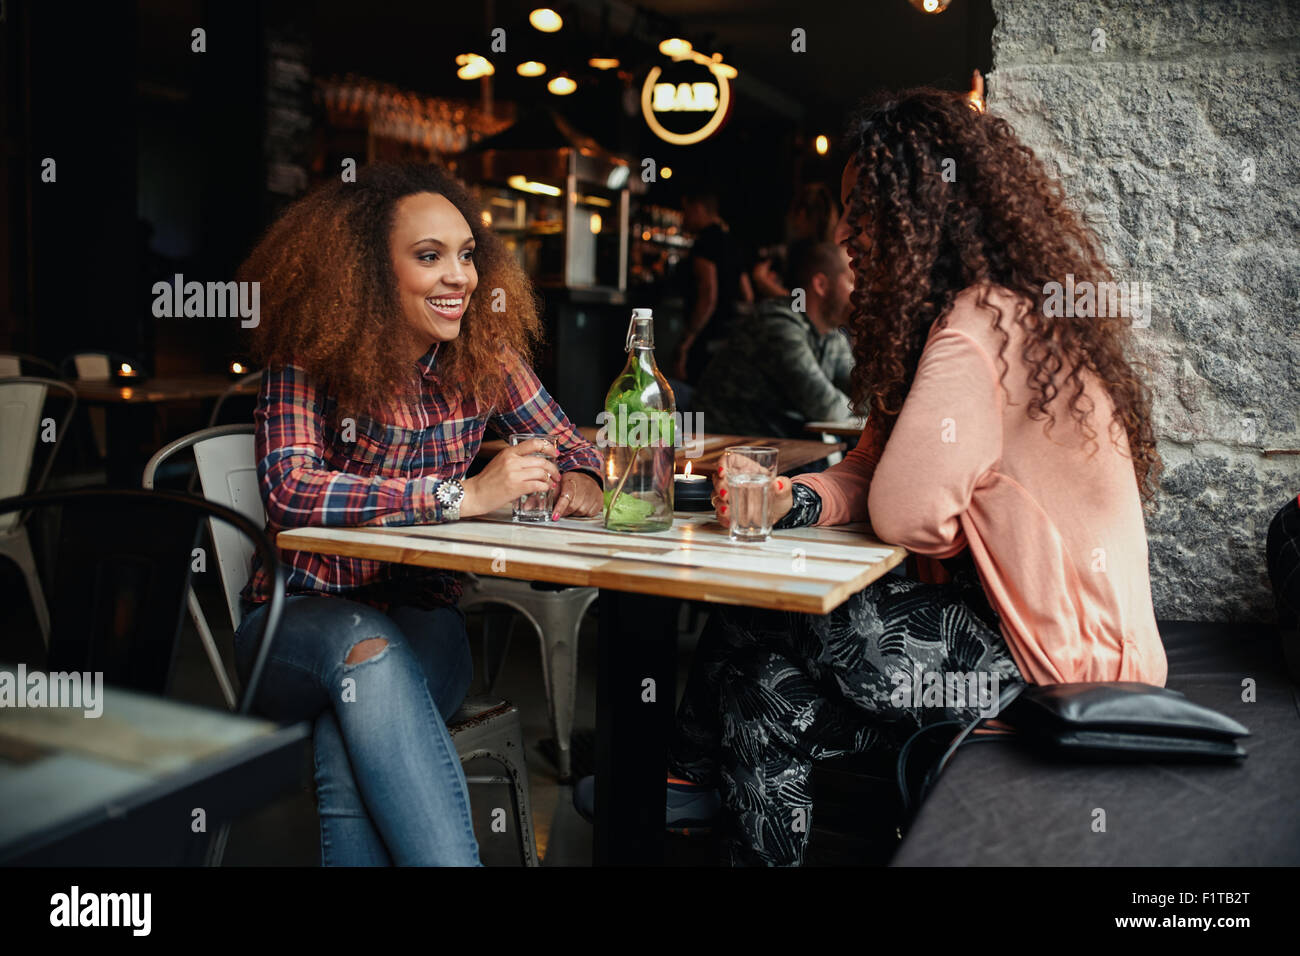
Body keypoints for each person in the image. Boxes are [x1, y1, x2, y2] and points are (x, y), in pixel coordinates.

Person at [669, 88, 1169, 865]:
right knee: (758, 688)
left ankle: (677, 777)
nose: (844, 233)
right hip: (1014, 649)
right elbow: (871, 467)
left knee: (756, 602)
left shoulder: (981, 326)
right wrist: (790, 499)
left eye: (862, 208)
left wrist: (922, 504)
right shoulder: (967, 317)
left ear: (920, 208)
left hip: (1061, 673)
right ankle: (690, 789)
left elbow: (905, 513)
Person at [233, 162, 604, 866]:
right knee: (364, 663)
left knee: (353, 733)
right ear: (368, 272)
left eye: (466, 255)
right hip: (298, 622)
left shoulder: (483, 355)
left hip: (422, 619)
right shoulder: (308, 355)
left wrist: (580, 469)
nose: (459, 277)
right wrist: (457, 496)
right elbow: (291, 487)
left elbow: (567, 438)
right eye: (429, 256)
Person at [692, 239, 855, 441]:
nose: (861, 292)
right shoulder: (779, 325)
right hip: (726, 448)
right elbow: (824, 406)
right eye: (852, 281)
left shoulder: (831, 334)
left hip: (777, 447)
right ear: (821, 285)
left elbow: (861, 392)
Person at [670, 189, 752, 384]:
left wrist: (686, 343)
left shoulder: (705, 243)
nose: (683, 218)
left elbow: (708, 295)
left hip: (704, 341)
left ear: (698, 209)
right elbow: (747, 295)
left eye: (685, 210)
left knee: (693, 405)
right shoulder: (732, 241)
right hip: (728, 342)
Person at [750, 183, 841, 300]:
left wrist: (763, 281)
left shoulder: (804, 252)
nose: (793, 224)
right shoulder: (835, 253)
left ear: (802, 214)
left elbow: (799, 303)